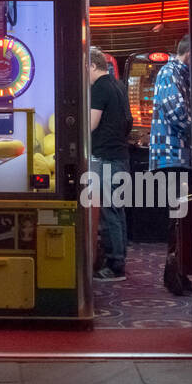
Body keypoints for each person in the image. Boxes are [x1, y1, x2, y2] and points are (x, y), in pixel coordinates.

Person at [149, 35, 192, 295]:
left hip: (178, 155)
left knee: (182, 216)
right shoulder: (169, 72)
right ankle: (173, 275)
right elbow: (178, 113)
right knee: (178, 217)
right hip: (171, 155)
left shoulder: (180, 73)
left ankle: (179, 272)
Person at [88, 46, 132, 281]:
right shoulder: (118, 85)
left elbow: (91, 124)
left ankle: (115, 265)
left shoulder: (99, 87)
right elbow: (129, 121)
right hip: (121, 155)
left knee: (108, 211)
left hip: (106, 156)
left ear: (93, 66)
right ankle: (119, 258)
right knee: (117, 210)